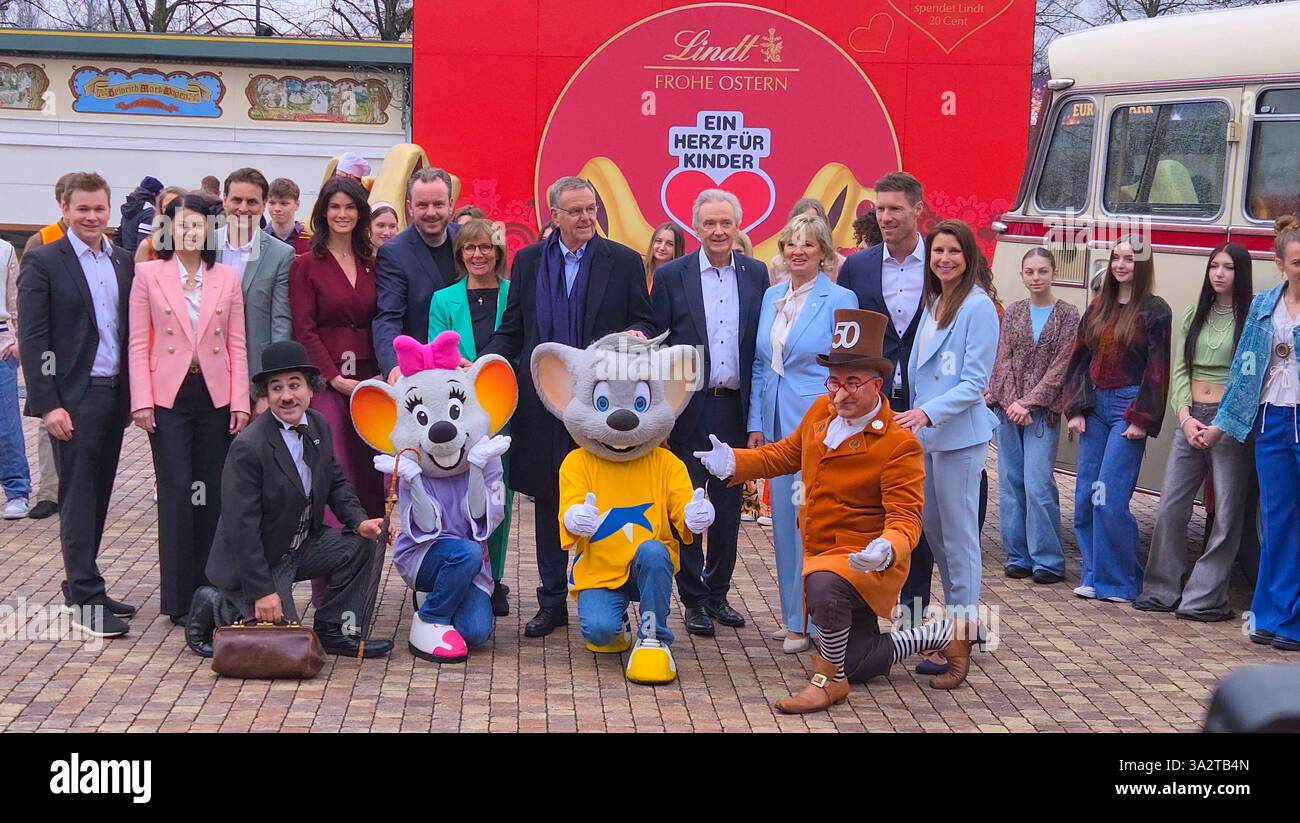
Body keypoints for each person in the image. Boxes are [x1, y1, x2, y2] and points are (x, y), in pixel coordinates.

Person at [695, 309, 979, 714]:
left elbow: (907, 518)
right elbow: (785, 454)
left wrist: (888, 546)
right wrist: (735, 463)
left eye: (851, 382)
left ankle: (825, 682)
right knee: (859, 661)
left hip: (867, 559)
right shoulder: (819, 414)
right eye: (833, 381)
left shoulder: (899, 443)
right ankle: (945, 634)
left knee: (823, 584)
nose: (839, 393)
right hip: (826, 551)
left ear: (877, 384)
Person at [478, 175, 656, 638]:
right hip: (545, 402)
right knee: (550, 497)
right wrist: (485, 363)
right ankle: (551, 601)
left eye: (590, 209)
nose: (585, 218)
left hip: (604, 406)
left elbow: (643, 318)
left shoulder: (622, 261)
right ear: (553, 215)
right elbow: (514, 325)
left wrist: (636, 333)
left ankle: (613, 591)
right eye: (575, 211)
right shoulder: (530, 261)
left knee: (612, 497)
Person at [185, 340, 392, 659]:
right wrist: (262, 591)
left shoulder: (319, 425)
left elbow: (336, 481)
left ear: (311, 389)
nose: (286, 396)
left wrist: (360, 521)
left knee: (361, 543)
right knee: (284, 648)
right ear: (265, 396)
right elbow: (242, 529)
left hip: (299, 546)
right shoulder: (248, 448)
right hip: (259, 560)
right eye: (276, 387)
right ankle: (216, 604)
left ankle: (335, 630)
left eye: (294, 385)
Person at [532, 332, 713, 684]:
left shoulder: (666, 462)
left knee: (654, 551)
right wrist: (574, 517)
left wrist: (694, 514)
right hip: (599, 569)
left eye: (640, 403)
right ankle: (620, 625)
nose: (622, 419)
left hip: (648, 565)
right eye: (602, 403)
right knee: (599, 633)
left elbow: (681, 506)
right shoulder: (576, 462)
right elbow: (569, 507)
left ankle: (653, 636)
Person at [18, 172, 136, 637]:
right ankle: (85, 598)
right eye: (82, 208)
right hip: (73, 396)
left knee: (100, 493)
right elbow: (33, 336)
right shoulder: (44, 261)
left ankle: (86, 582)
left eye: (99, 208)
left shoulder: (123, 260)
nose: (92, 217)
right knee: (77, 496)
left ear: (109, 211)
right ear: (63, 208)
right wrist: (49, 405)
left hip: (114, 392)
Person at [128, 193, 250, 624]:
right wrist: (141, 399)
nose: (190, 232)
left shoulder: (227, 278)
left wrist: (240, 401)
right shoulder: (148, 274)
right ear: (168, 229)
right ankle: (178, 597)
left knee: (212, 493)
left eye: (198, 225)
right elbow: (139, 341)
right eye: (182, 224)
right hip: (169, 395)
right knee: (178, 491)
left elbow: (237, 342)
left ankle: (210, 587)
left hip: (214, 394)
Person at [652, 190, 766, 637]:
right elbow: (658, 349)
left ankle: (719, 591)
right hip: (687, 411)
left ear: (738, 227)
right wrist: (661, 415)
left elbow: (758, 350)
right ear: (695, 228)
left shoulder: (757, 275)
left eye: (726, 223)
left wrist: (756, 419)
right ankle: (693, 598)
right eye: (709, 224)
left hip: (734, 409)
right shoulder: (671, 277)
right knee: (688, 505)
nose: (718, 231)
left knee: (728, 506)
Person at [750, 213, 858, 652]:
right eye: (791, 244)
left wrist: (840, 418)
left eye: (808, 245)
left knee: (812, 520)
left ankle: (816, 623)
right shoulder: (772, 295)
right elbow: (761, 364)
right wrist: (756, 422)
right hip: (776, 423)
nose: (798, 251)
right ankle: (794, 616)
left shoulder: (840, 296)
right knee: (782, 524)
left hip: (819, 423)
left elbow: (848, 366)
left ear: (824, 253)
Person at [899, 219, 999, 673]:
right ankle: (957, 628)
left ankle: (960, 644)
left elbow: (975, 384)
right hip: (929, 438)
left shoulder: (978, 307)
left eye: (953, 252)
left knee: (960, 544)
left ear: (968, 256)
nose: (944, 259)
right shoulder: (935, 301)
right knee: (937, 539)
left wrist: (926, 412)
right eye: (938, 251)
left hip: (958, 438)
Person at [837, 173, 937, 626]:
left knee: (917, 505)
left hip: (926, 403)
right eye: (880, 209)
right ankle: (865, 617)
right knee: (869, 504)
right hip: (873, 404)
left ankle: (914, 618)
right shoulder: (857, 267)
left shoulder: (942, 260)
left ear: (918, 208)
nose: (886, 217)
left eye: (895, 208)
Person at [1135, 244, 1253, 620]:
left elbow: (1246, 378)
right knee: (1171, 504)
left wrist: (1221, 425)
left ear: (1241, 273)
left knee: (1227, 513)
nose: (1219, 273)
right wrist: (1185, 417)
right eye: (1214, 266)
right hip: (1191, 419)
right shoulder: (1193, 313)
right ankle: (1160, 589)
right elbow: (1180, 370)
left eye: (1228, 267)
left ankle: (1203, 597)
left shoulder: (1251, 319)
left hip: (1228, 423)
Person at [1205, 217, 1300, 649]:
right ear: (1280, 263)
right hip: (1271, 419)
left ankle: (1293, 619)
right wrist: (1225, 423)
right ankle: (1270, 615)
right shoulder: (1264, 305)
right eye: (1297, 262)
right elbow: (1244, 369)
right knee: (1276, 520)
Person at [1063, 237, 1172, 604]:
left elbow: (1158, 370)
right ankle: (1094, 574)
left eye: (1129, 258)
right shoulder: (1098, 306)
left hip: (1128, 406)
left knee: (1109, 497)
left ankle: (1121, 582)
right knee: (1085, 495)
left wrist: (1142, 418)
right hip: (1095, 406)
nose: (1121, 264)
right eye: (1116, 258)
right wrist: (1075, 409)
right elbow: (1078, 361)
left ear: (1142, 265)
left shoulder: (1155, 311)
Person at [428, 218, 515, 617]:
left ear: (497, 252)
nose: (478, 255)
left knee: (499, 496)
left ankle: (493, 579)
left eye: (485, 247)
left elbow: (519, 340)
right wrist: (458, 366)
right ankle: (463, 573)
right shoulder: (443, 299)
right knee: (463, 496)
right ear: (460, 254)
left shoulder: (514, 294)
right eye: (469, 248)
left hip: (503, 409)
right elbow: (435, 352)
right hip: (460, 414)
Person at [289, 176, 385, 519]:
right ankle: (330, 561)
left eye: (349, 207)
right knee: (335, 463)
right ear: (323, 212)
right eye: (334, 207)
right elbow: (304, 329)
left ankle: (367, 563)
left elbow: (383, 318)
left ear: (360, 213)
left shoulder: (373, 261)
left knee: (372, 469)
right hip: (327, 380)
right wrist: (332, 377)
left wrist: (381, 373)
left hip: (371, 378)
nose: (342, 214)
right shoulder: (305, 265)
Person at [986, 247, 1079, 584]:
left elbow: (1062, 366)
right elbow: (1003, 359)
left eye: (1042, 271)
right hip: (1008, 412)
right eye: (1030, 272)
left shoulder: (1068, 314)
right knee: (1011, 484)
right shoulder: (1012, 312)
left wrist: (1029, 403)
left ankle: (1049, 560)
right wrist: (1013, 402)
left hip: (1042, 414)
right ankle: (1018, 555)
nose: (1036, 278)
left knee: (1038, 484)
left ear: (1053, 273)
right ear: (1022, 275)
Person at [22, 173, 78, 520]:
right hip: (51, 348)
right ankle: (49, 491)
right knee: (49, 420)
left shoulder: (103, 243)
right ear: (62, 204)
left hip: (83, 350)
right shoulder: (41, 241)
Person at [374, 168, 461, 383]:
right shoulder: (394, 253)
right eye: (422, 205)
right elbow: (388, 316)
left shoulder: (466, 241)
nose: (431, 212)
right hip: (420, 373)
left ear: (451, 204)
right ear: (409, 207)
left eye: (438, 204)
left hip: (468, 365)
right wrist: (393, 365)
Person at [215, 168, 294, 395]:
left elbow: (280, 322)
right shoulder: (204, 244)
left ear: (263, 205)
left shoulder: (281, 254)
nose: (243, 208)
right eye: (236, 200)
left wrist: (273, 383)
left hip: (255, 372)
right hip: (207, 371)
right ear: (224, 201)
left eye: (252, 201)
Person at [0, 233, 30, 519]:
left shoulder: (5, 249)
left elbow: (15, 297)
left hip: (1, 344)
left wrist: (19, 339)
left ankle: (17, 489)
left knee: (6, 425)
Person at [768, 198, 847, 284]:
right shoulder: (776, 264)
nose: (807, 225)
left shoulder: (841, 264)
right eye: (802, 220)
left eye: (808, 245)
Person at [134, 186, 187, 263]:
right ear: (161, 210)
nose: (172, 209)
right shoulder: (148, 246)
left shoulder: (198, 244)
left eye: (177, 205)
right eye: (166, 206)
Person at [116, 175, 163, 257]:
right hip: (138, 260)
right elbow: (143, 243)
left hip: (123, 258)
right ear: (155, 194)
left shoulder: (129, 207)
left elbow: (118, 235)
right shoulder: (149, 211)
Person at [265, 177, 313, 255]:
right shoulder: (257, 241)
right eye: (272, 203)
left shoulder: (311, 243)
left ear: (297, 205)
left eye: (283, 203)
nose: (277, 208)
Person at [642, 221, 685, 294]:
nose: (662, 248)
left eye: (670, 244)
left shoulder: (682, 278)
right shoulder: (639, 268)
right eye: (658, 241)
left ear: (678, 248)